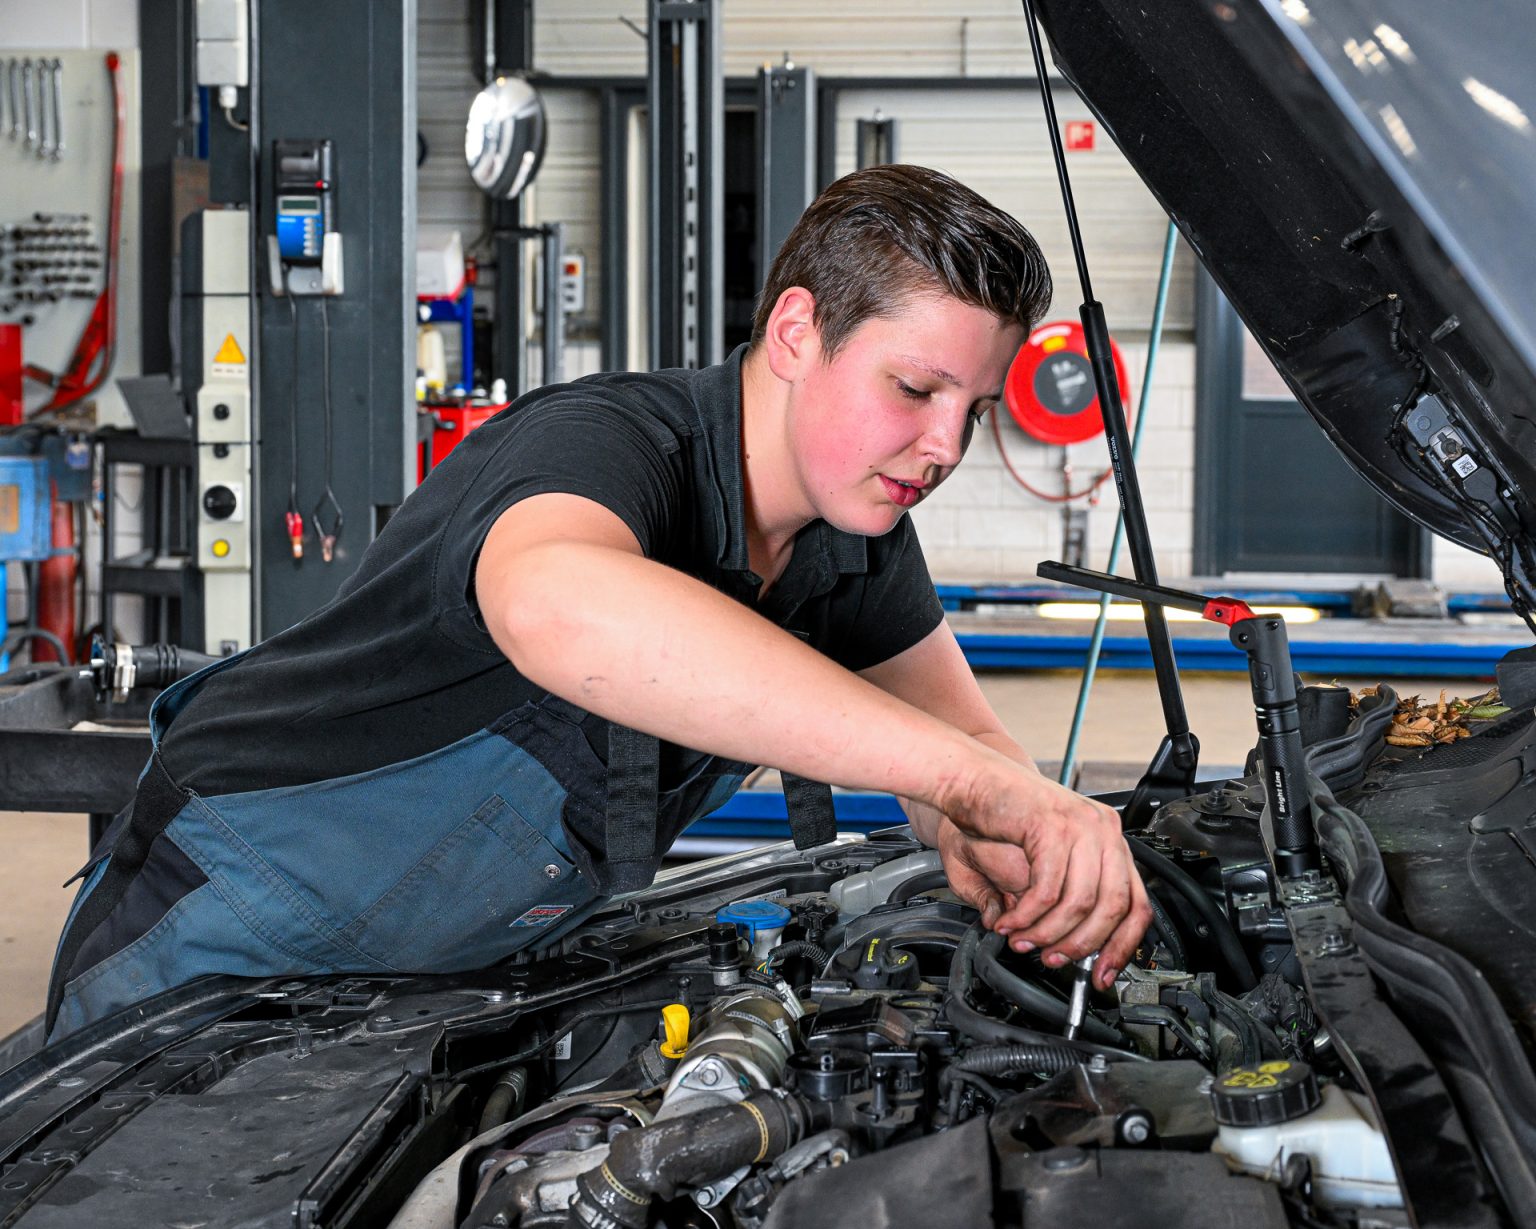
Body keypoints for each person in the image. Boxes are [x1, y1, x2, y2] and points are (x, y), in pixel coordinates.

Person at [46, 164, 1151, 1039]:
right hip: (232, 920)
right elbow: (558, 605)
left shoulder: (854, 542)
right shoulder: (612, 442)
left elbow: (963, 737)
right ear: (797, 331)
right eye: (914, 389)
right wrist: (950, 776)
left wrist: (1027, 842)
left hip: (448, 973)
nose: (947, 445)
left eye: (973, 405)